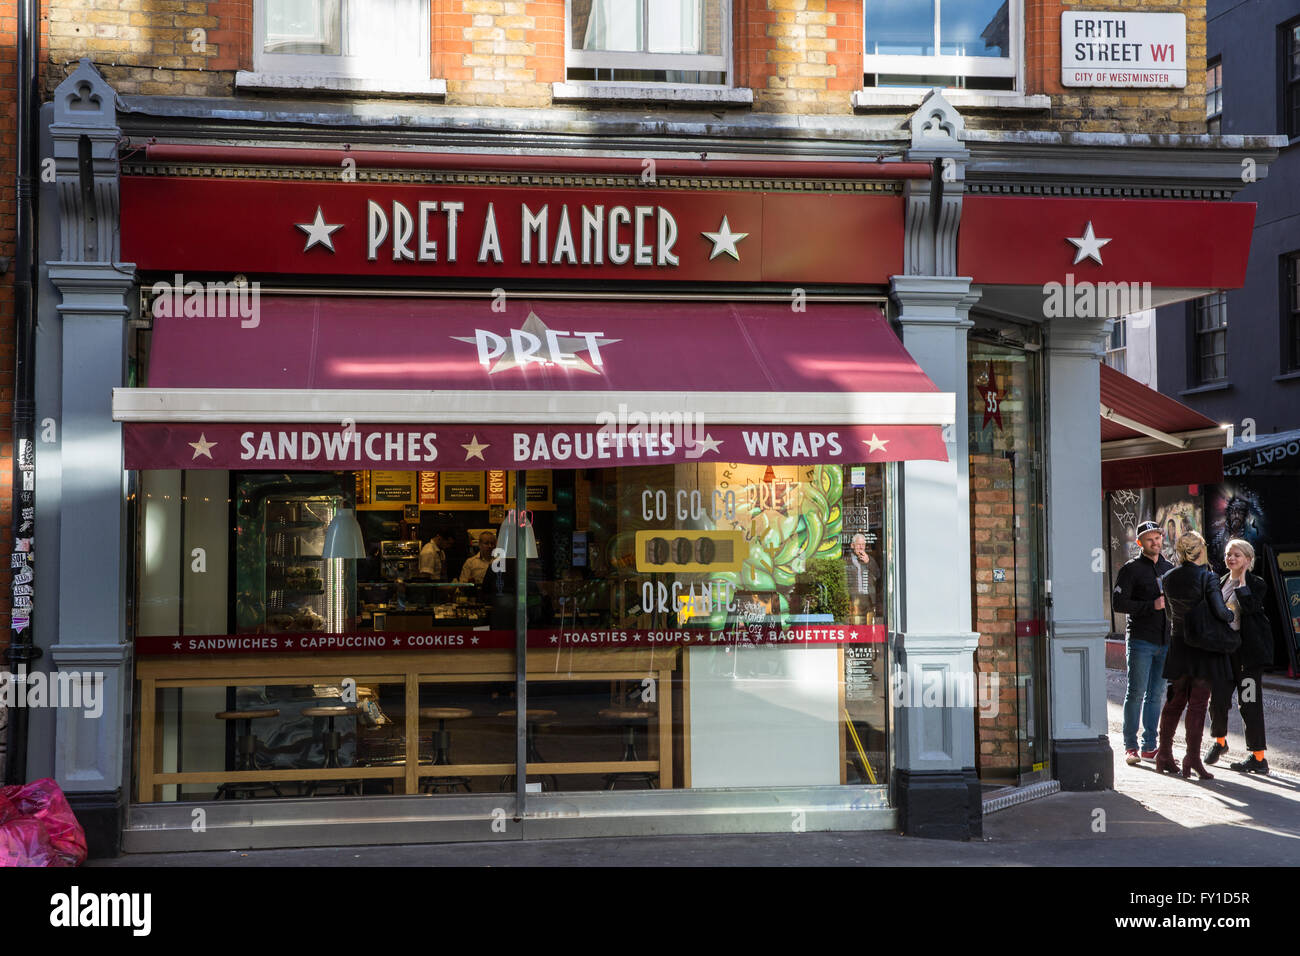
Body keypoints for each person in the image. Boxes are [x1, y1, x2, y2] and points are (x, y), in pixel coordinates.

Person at [1154, 531, 1234, 779]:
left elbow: (1169, 616)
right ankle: (1192, 758)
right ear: (1200, 550)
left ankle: (1164, 754)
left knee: (1174, 700)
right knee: (1198, 704)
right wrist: (1231, 614)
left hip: (1178, 644)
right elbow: (1221, 612)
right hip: (1202, 647)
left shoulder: (1167, 577)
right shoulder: (1208, 577)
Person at [1205, 538, 1272, 774]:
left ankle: (1258, 757)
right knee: (1218, 700)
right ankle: (1220, 742)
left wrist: (1242, 582)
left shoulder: (1257, 583)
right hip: (1224, 654)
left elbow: (1251, 607)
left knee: (1249, 703)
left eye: (1236, 555)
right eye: (1228, 554)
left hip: (1248, 657)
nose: (1231, 558)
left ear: (1248, 559)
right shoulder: (1219, 582)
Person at [1112, 520, 1174, 766]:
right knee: (1136, 693)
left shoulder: (1169, 568)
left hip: (1165, 641)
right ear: (1140, 543)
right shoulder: (1130, 569)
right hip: (1140, 640)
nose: (1155, 542)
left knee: (1156, 694)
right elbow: (1119, 604)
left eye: (1158, 537)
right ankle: (1130, 746)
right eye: (1149, 539)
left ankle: (1150, 746)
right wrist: (1151, 606)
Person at [846, 533, 881, 624]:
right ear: (852, 545)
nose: (861, 547)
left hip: (868, 600)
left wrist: (868, 562)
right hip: (853, 600)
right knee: (855, 628)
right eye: (858, 545)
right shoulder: (846, 560)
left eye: (863, 545)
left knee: (868, 630)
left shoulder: (870, 559)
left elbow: (878, 575)